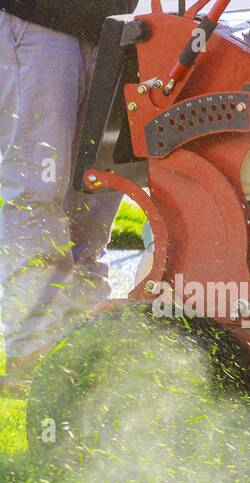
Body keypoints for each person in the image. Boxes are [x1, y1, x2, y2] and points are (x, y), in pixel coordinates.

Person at [0, 0, 137, 394]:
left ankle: (84, 349)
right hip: (39, 20)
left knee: (94, 198)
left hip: (113, 27)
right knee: (38, 192)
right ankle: (33, 355)